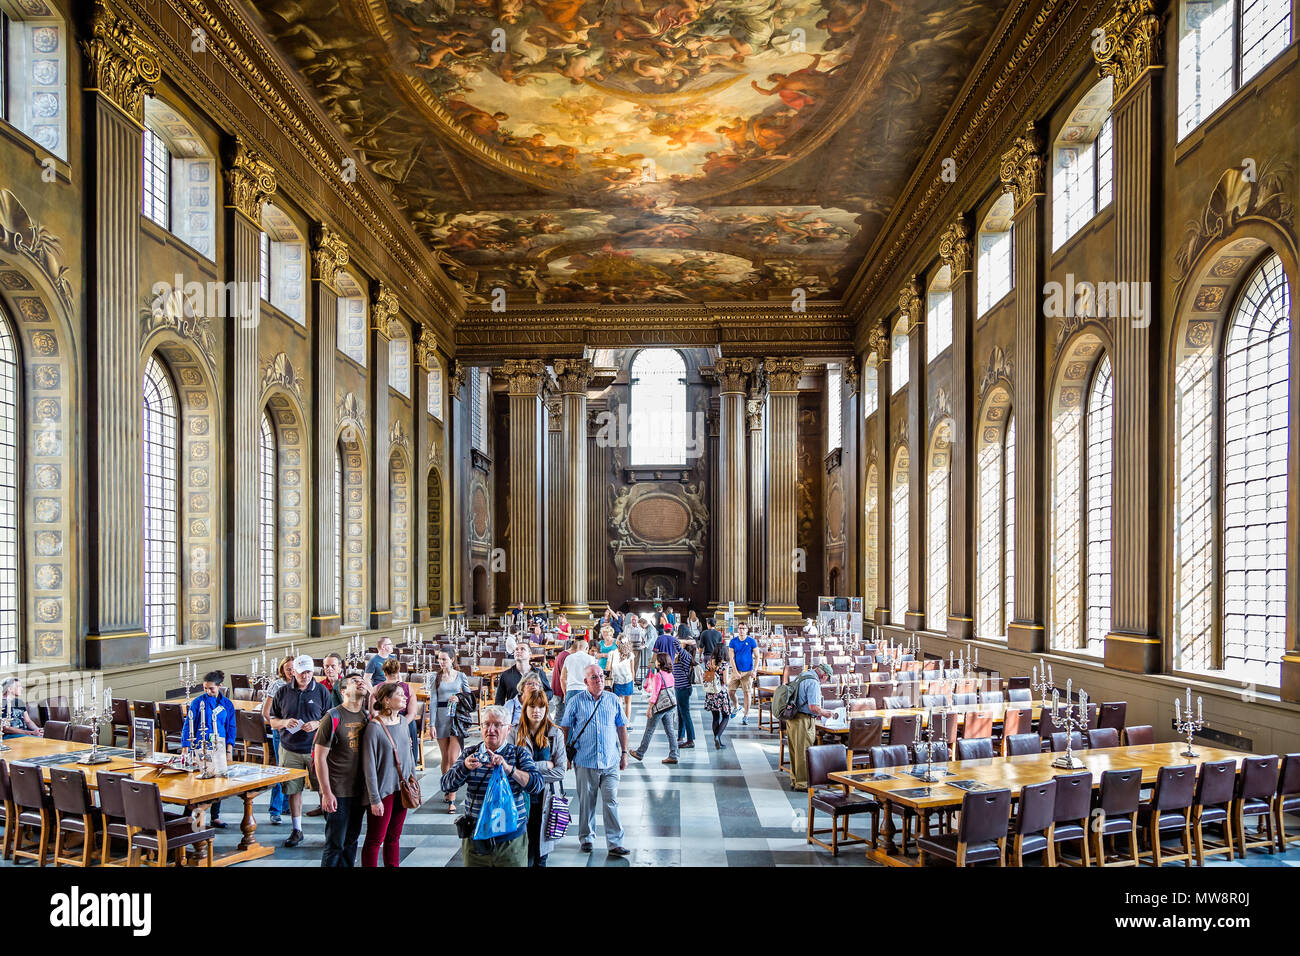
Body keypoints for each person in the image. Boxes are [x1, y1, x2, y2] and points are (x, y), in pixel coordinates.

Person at [440, 705, 542, 867]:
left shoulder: (518, 754)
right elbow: (446, 785)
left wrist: (509, 769)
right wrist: (464, 767)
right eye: (486, 724)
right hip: (476, 840)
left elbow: (536, 785)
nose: (491, 729)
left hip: (511, 840)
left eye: (497, 725)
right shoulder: (470, 753)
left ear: (508, 729)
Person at [558, 664, 630, 857]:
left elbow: (622, 727)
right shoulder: (575, 702)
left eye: (601, 676)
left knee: (611, 801)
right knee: (586, 802)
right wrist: (564, 755)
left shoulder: (613, 700)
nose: (599, 680)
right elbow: (565, 728)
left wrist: (624, 753)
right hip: (585, 760)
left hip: (610, 761)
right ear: (585, 682)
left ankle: (615, 842)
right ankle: (587, 837)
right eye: (594, 678)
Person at [269, 654, 332, 847]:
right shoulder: (282, 693)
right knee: (293, 791)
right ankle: (297, 830)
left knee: (323, 789)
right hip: (290, 748)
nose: (305, 676)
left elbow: (330, 719)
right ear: (293, 672)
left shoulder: (321, 691)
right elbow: (272, 720)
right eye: (301, 672)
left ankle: (330, 832)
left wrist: (317, 724)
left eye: (308, 672)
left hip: (316, 750)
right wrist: (285, 722)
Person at [314, 669, 370, 866]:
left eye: (362, 680)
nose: (360, 683)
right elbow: (319, 758)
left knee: (352, 842)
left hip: (359, 790)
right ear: (343, 689)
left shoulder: (367, 716)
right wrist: (326, 793)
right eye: (355, 681)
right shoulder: (333, 716)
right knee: (335, 844)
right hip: (337, 791)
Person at [361, 682, 415, 867]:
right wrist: (374, 799)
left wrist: (412, 781)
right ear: (386, 701)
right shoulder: (374, 728)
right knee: (376, 839)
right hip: (383, 791)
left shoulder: (403, 722)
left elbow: (408, 756)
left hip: (402, 788)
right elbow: (369, 766)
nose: (405, 697)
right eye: (400, 694)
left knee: (394, 836)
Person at [514, 684, 567, 866]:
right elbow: (510, 768)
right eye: (532, 706)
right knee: (524, 852)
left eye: (541, 706)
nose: (536, 711)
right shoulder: (514, 733)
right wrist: (545, 765)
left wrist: (527, 774)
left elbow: (560, 770)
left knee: (541, 854)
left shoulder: (555, 734)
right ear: (525, 707)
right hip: (522, 799)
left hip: (547, 798)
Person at [181, 670, 237, 827]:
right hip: (201, 746)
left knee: (219, 780)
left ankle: (215, 816)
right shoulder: (198, 702)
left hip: (219, 746)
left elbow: (231, 727)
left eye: (211, 688)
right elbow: (188, 725)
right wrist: (185, 747)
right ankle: (189, 815)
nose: (208, 691)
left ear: (220, 686)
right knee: (199, 783)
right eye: (205, 688)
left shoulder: (227, 704)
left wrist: (229, 749)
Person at [786, 663, 839, 791]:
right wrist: (825, 713)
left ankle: (795, 780)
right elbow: (813, 707)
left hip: (792, 718)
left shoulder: (803, 675)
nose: (825, 682)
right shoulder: (813, 682)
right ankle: (803, 783)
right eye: (827, 679)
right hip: (803, 719)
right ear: (824, 675)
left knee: (795, 751)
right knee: (804, 751)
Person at [431, 651, 470, 813]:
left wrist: (459, 698)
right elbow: (433, 701)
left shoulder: (460, 676)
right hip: (441, 718)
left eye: (444, 659)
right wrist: (431, 724)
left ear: (452, 659)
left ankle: (452, 799)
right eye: (439, 659)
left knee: (454, 758)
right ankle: (447, 786)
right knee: (445, 757)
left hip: (456, 719)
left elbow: (469, 697)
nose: (441, 662)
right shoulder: (435, 677)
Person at [628, 652, 679, 765]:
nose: (655, 662)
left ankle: (640, 753)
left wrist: (649, 708)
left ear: (660, 663)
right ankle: (674, 754)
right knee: (670, 730)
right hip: (670, 704)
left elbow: (655, 694)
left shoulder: (658, 676)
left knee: (649, 730)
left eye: (656, 660)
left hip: (660, 706)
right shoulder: (670, 674)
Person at [261, 655, 294, 824]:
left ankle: (287, 806)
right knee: (281, 769)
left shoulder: (300, 685)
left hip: (296, 734)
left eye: (293, 668)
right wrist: (279, 724)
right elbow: (266, 712)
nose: (291, 671)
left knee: (292, 770)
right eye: (288, 669)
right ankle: (275, 809)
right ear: (282, 670)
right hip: (281, 733)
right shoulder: (277, 685)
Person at [379, 658, 421, 766]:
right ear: (398, 671)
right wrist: (401, 724)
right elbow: (412, 713)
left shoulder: (378, 688)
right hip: (406, 722)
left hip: (384, 723)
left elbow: (374, 712)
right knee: (408, 756)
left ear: (384, 672)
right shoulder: (408, 688)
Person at [494, 640, 551, 706]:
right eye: (516, 649)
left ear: (530, 654)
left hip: (534, 709)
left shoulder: (539, 673)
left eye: (522, 649)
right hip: (514, 712)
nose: (518, 651)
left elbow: (549, 692)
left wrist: (539, 699)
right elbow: (499, 699)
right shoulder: (506, 675)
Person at [727, 622, 759, 725]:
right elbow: (731, 657)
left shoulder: (751, 641)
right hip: (736, 671)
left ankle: (746, 715)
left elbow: (757, 656)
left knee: (747, 693)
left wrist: (754, 670)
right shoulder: (733, 641)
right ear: (738, 630)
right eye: (740, 628)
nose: (741, 630)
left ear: (747, 630)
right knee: (731, 691)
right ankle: (737, 706)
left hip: (748, 671)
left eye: (744, 628)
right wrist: (735, 671)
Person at [703, 645, 733, 749]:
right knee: (726, 716)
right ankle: (718, 736)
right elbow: (725, 681)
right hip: (721, 693)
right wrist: (731, 679)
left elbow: (707, 677)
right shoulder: (724, 665)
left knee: (715, 718)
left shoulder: (709, 663)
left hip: (711, 693)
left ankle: (717, 739)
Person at [559, 638, 596, 719]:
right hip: (585, 691)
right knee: (585, 719)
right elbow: (594, 677)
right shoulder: (590, 659)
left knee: (569, 720)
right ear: (586, 648)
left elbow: (562, 678)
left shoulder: (568, 658)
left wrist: (565, 694)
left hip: (571, 691)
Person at [671, 639, 697, 749]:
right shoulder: (682, 657)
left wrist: (684, 640)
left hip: (683, 689)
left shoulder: (685, 655)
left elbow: (675, 644)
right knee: (681, 713)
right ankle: (680, 737)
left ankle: (690, 740)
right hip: (679, 688)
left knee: (685, 714)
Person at [608, 636, 636, 726]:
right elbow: (632, 670)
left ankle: (619, 722)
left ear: (617, 643)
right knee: (628, 703)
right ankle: (627, 723)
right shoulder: (630, 654)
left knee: (619, 702)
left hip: (616, 680)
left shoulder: (612, 653)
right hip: (628, 679)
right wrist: (633, 681)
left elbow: (608, 668)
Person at [550, 638, 572, 716]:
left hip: (557, 689)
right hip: (560, 690)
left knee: (560, 714)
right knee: (560, 716)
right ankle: (557, 729)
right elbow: (564, 677)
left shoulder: (562, 654)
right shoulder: (567, 657)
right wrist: (565, 693)